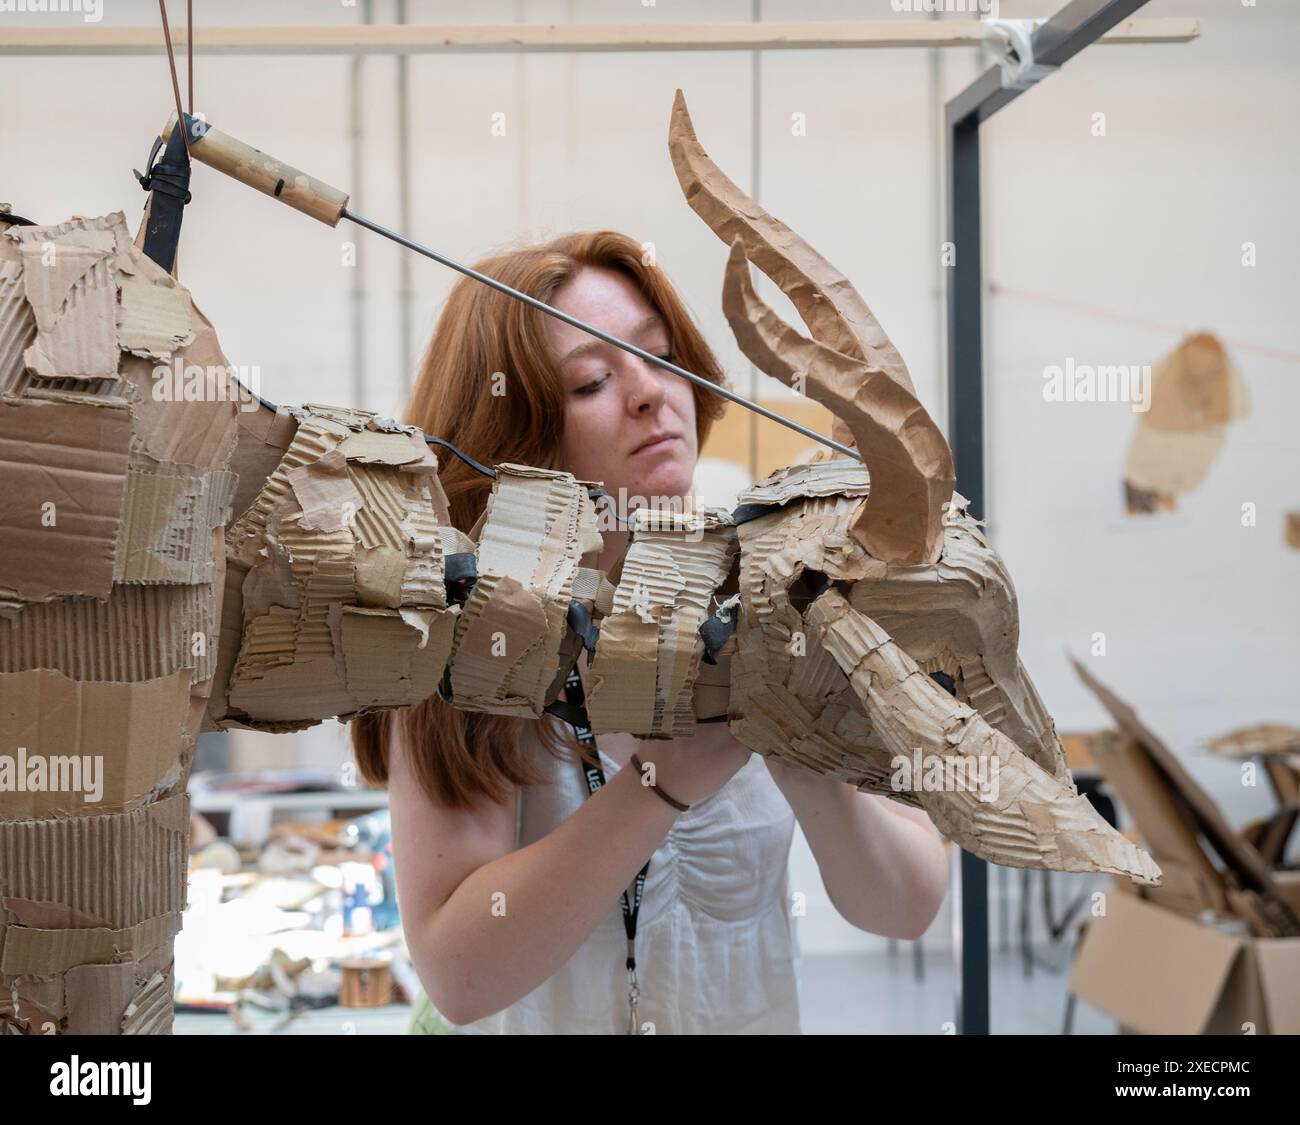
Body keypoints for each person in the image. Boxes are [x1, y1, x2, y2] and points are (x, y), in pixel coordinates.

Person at [349, 230, 950, 1035]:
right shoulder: (469, 635)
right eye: (591, 381)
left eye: (662, 356)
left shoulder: (779, 594)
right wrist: (659, 784)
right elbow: (459, 976)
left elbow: (907, 903)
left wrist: (804, 759)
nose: (648, 392)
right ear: (510, 435)